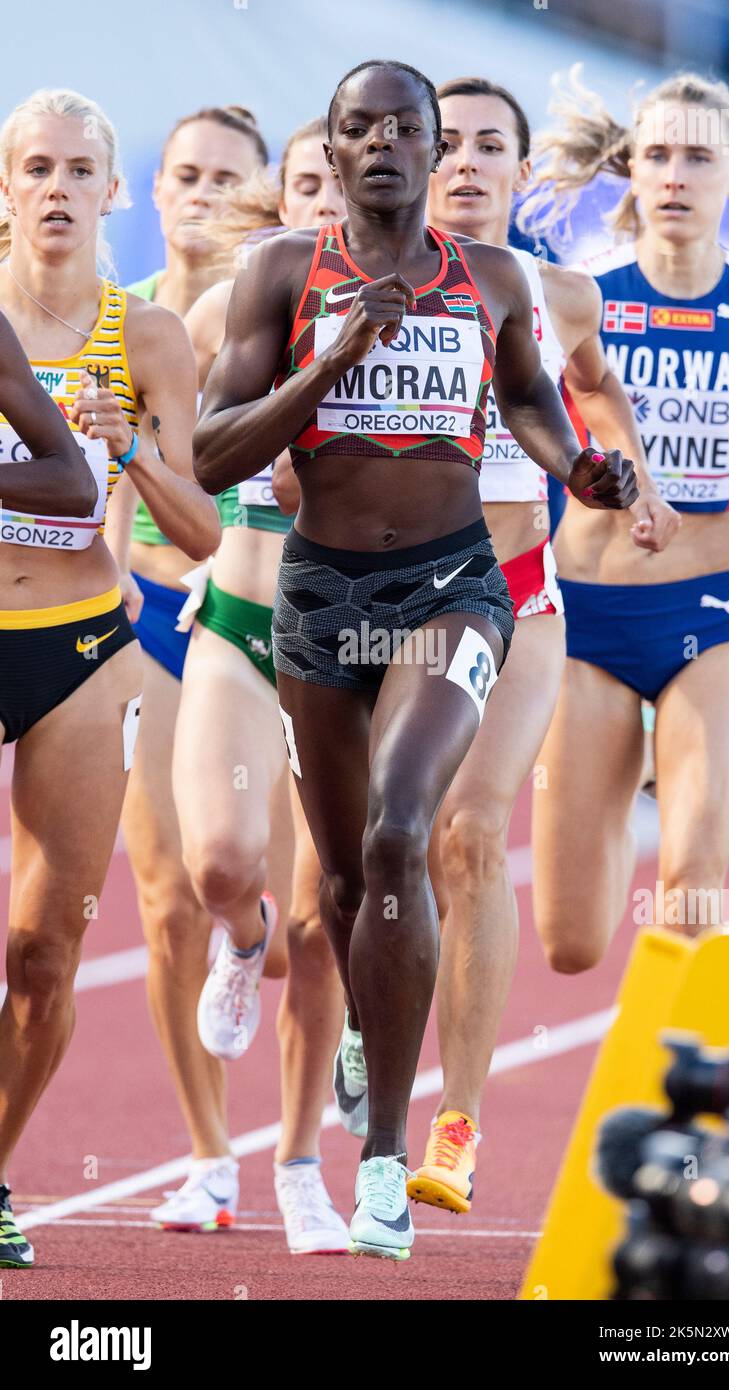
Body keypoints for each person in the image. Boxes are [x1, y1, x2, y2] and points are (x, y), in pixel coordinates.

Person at [193, 59, 637, 1261]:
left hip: (451, 587)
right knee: (343, 883)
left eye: (407, 128)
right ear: (330, 152)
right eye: (358, 128)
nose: (383, 143)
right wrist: (333, 362)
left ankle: (385, 1153)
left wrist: (582, 467)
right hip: (319, 595)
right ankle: (364, 1033)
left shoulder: (486, 276)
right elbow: (213, 453)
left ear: (437, 150)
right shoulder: (279, 273)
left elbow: (535, 405)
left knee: (404, 831)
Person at [399, 76, 679, 1217]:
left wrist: (635, 477)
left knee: (468, 834)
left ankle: (456, 1122)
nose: (464, 164)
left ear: (523, 172)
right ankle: (369, 1017)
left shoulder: (561, 296)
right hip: (376, 601)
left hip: (517, 599)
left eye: (488, 147)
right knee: (375, 854)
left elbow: (598, 399)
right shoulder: (352, 282)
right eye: (445, 144)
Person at [0, 87, 218, 1268]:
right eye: (34, 167)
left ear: (112, 190)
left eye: (79, 170)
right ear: (4, 186)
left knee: (42, 953)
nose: (56, 190)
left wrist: (125, 442)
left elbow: (197, 535)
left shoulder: (148, 339)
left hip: (84, 645)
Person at [525, 70, 729, 968]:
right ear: (631, 170)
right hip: (588, 619)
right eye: (659, 155)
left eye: (699, 157)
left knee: (691, 891)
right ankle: (629, 768)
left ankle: (674, 1094)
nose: (675, 175)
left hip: (709, 615)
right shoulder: (575, 299)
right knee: (569, 940)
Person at [172, 118, 350, 1253]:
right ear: (280, 197)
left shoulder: (414, 323)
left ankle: (297, 1166)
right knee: (220, 865)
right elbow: (169, 458)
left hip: (353, 639)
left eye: (344, 186)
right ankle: (238, 948)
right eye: (307, 183)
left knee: (327, 915)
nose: (326, 202)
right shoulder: (225, 307)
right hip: (238, 622)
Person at [107, 107, 281, 1234]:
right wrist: (116, 559)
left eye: (227, 177)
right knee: (167, 898)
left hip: (273, 618)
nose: (203, 193)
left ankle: (316, 1142)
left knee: (305, 908)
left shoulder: (266, 309)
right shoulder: (119, 322)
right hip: (146, 619)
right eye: (185, 174)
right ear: (153, 188)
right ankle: (212, 1156)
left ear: (261, 192)